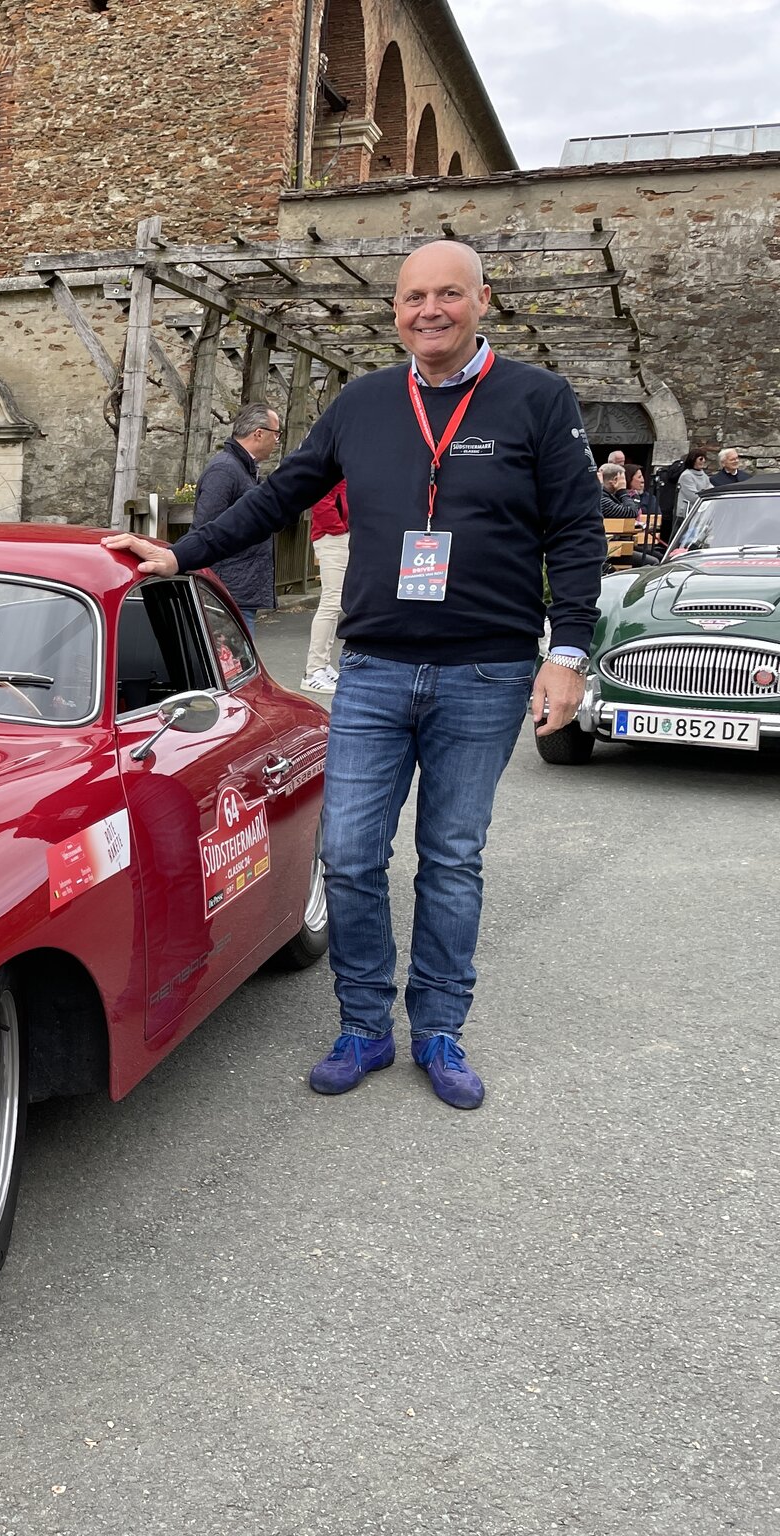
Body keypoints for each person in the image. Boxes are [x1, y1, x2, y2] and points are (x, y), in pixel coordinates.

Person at [104, 239, 603, 1111]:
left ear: (483, 300)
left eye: (448, 294)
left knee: (452, 857)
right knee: (350, 853)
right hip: (374, 670)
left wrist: (567, 653)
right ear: (396, 309)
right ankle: (365, 1024)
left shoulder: (536, 398)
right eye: (414, 297)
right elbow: (281, 494)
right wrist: (182, 553)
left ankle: (438, 1028)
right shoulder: (366, 402)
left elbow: (576, 529)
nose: (430, 311)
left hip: (485, 671)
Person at [191, 401, 283, 629]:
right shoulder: (225, 469)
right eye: (276, 434)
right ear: (259, 433)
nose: (277, 441)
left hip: (238, 588)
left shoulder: (243, 469)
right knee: (233, 651)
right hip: (229, 591)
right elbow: (204, 529)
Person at [302, 480, 350, 694]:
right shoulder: (334, 465)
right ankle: (314, 670)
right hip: (333, 536)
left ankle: (321, 665)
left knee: (333, 603)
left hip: (337, 534)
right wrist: (339, 529)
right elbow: (322, 499)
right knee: (331, 602)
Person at [598, 462, 640, 568]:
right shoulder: (602, 499)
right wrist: (622, 491)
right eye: (623, 479)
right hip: (609, 551)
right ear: (615, 480)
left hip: (615, 546)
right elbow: (631, 512)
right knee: (653, 561)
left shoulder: (607, 496)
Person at [627, 464, 662, 555]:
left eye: (642, 476)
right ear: (629, 479)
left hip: (646, 539)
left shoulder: (650, 498)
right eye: (639, 477)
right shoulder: (623, 497)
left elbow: (656, 518)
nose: (642, 480)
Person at [674, 449, 713, 526]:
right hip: (687, 515)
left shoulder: (704, 475)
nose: (703, 461)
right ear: (693, 460)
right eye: (701, 459)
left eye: (704, 459)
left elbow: (711, 490)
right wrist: (705, 493)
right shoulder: (686, 476)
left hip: (700, 513)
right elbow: (693, 496)